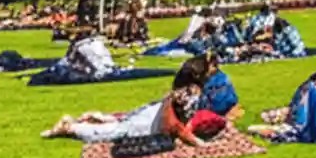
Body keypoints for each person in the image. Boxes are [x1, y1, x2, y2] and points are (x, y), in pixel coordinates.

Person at [41, 63, 209, 146]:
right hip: (147, 123)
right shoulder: (188, 95)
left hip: (150, 115)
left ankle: (91, 119)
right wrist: (199, 144)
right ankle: (69, 127)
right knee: (108, 134)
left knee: (121, 124)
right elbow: (175, 125)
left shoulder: (183, 91)